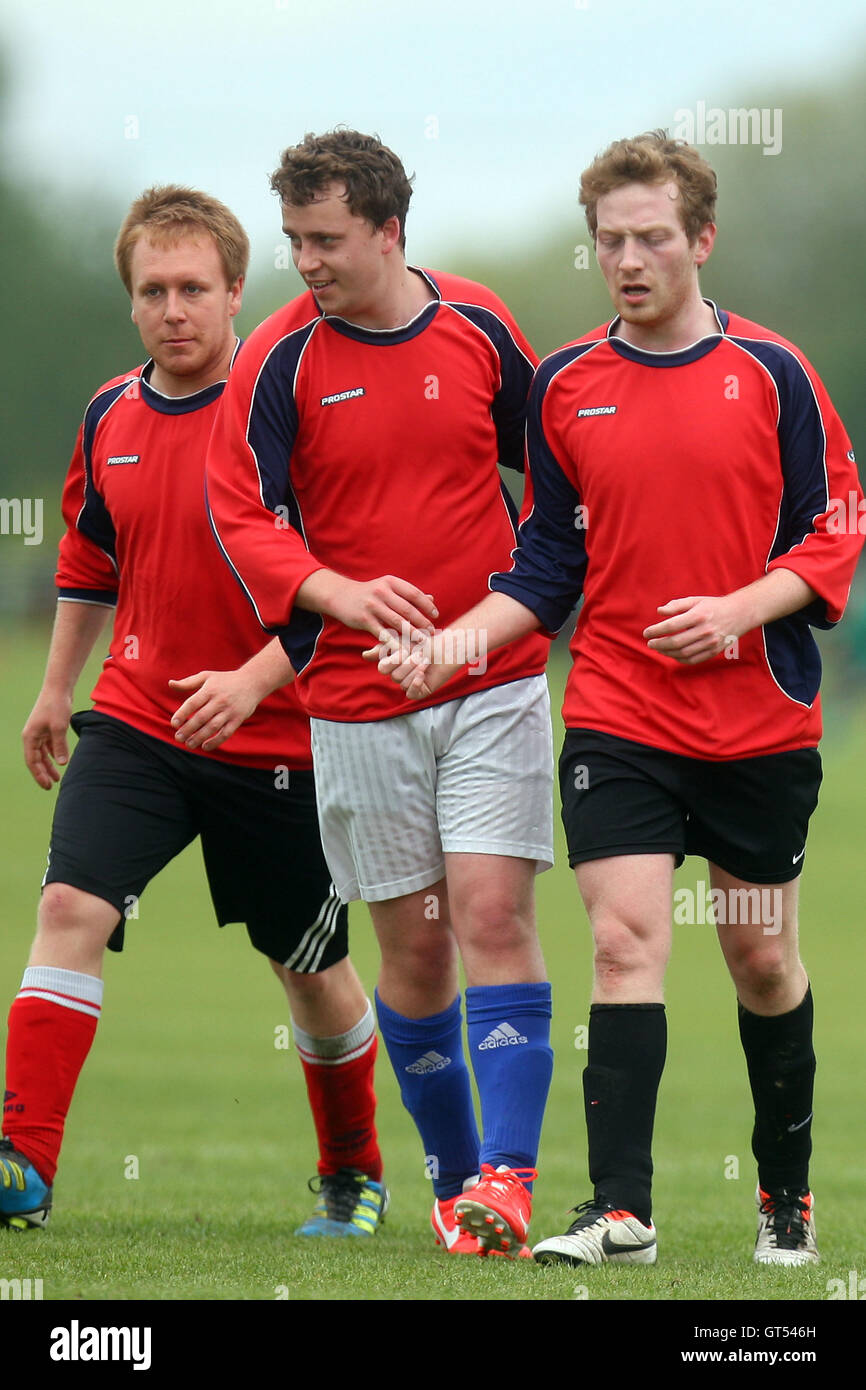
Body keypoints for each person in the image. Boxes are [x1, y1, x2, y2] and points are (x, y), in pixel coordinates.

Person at [371, 130, 864, 1267]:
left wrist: (739, 610)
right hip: (617, 714)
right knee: (622, 940)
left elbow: (832, 531)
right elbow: (546, 567)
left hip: (755, 722)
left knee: (758, 960)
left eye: (651, 237)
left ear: (700, 238)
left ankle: (783, 1196)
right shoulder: (564, 386)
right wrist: (453, 644)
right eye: (609, 241)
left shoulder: (773, 373)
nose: (628, 259)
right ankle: (619, 1210)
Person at [0, 186, 387, 1239]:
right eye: (152, 291)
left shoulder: (289, 415)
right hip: (136, 722)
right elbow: (88, 558)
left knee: (308, 971)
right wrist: (53, 688)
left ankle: (352, 1172)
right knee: (70, 909)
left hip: (283, 739)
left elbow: (340, 579)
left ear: (233, 293)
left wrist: (256, 675)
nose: (173, 308)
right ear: (131, 302)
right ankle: (21, 1162)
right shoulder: (109, 412)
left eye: (193, 289)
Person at [204, 130, 555, 1257]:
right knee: (416, 948)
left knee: (493, 913)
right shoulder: (274, 359)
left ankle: (507, 1178)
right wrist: (338, 596)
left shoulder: (482, 326)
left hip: (494, 674)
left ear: (391, 231)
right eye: (293, 240)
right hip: (355, 700)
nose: (303, 261)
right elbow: (240, 518)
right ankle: (454, 1184)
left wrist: (489, 621)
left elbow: (555, 486)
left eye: (326, 240)